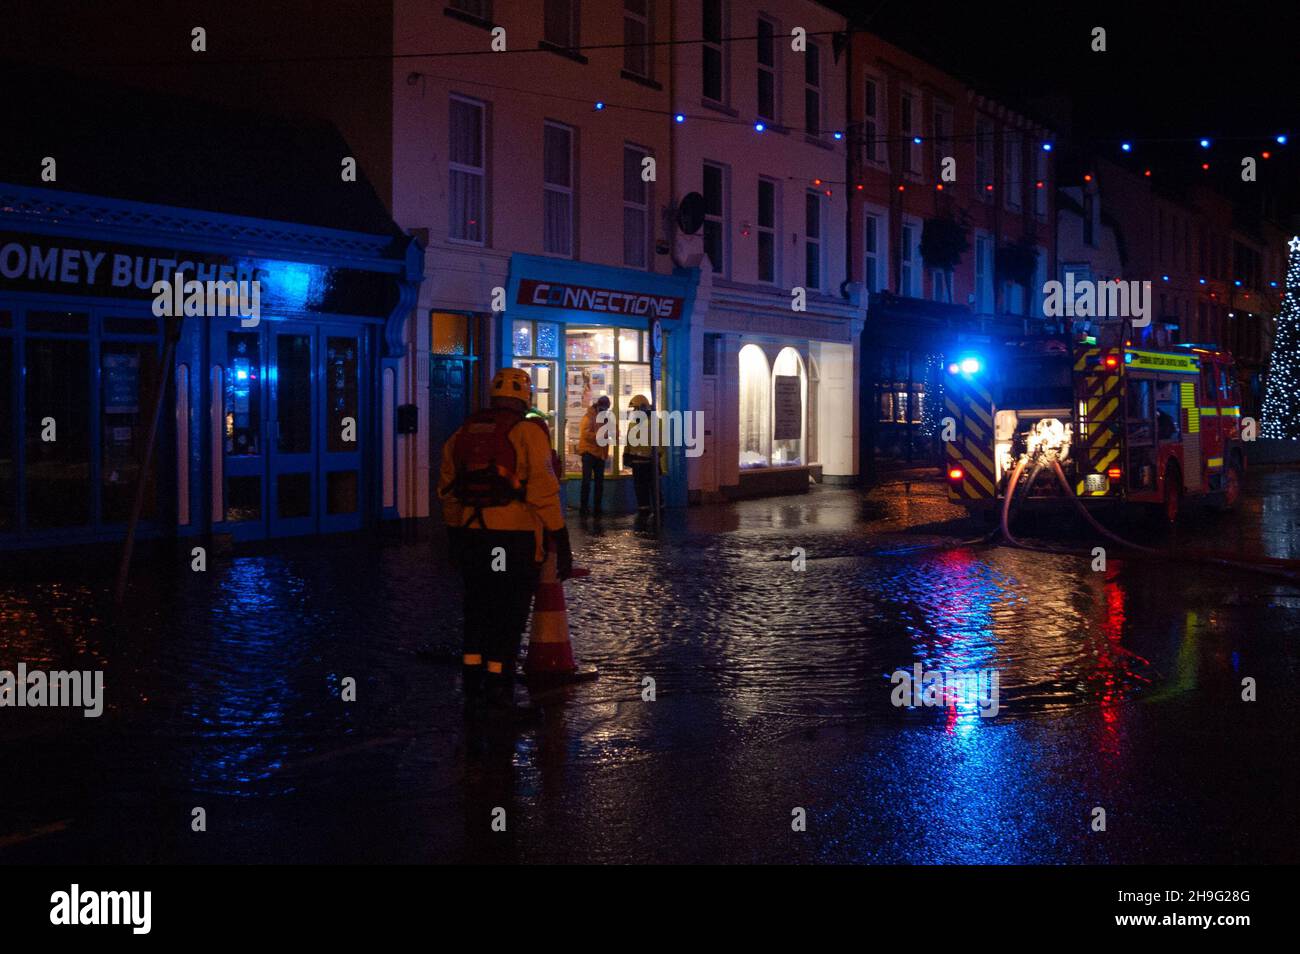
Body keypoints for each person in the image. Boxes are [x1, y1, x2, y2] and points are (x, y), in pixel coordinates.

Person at [440, 367, 572, 713]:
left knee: (476, 610)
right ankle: (500, 691)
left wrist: (455, 536)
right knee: (508, 616)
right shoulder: (528, 432)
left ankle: (472, 686)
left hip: (472, 536)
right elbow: (543, 491)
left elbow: (448, 491)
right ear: (525, 397)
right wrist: (562, 539)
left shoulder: (463, 432)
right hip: (514, 540)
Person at [623, 393, 656, 528]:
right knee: (640, 488)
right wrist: (626, 454)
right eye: (633, 409)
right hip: (637, 462)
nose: (634, 412)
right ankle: (643, 511)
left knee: (652, 487)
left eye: (636, 409)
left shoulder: (654, 423)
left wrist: (657, 455)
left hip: (649, 462)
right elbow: (628, 441)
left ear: (643, 408)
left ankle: (657, 512)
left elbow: (661, 442)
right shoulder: (633, 424)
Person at [577, 395, 612, 515]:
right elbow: (585, 434)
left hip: (600, 454)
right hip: (589, 453)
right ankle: (584, 507)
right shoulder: (589, 416)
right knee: (587, 482)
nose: (605, 410)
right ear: (598, 406)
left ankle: (597, 507)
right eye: (604, 408)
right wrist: (601, 436)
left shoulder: (606, 418)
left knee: (599, 483)